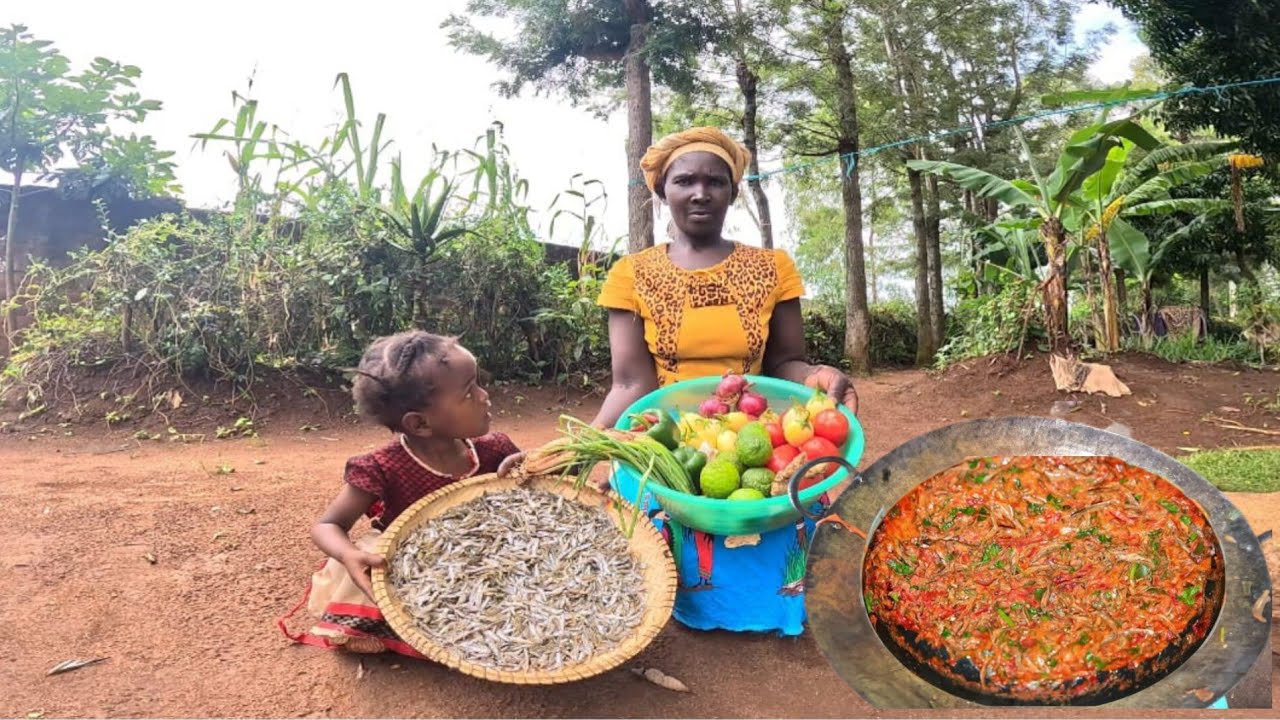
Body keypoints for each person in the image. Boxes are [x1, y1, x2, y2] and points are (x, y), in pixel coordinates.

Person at [592, 126, 859, 636]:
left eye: (715, 181)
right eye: (684, 181)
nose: (700, 192)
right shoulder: (633, 275)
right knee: (651, 532)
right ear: (662, 192)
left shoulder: (770, 268)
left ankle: (774, 607)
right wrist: (584, 449)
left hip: (754, 435)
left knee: (781, 515)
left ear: (733, 191)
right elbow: (630, 385)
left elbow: (787, 364)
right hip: (667, 442)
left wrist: (818, 374)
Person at [278, 330, 522, 656]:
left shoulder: (497, 449)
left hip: (481, 557)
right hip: (419, 566)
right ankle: (376, 627)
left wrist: (533, 467)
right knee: (374, 561)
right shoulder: (382, 466)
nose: (484, 396)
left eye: (479, 384)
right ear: (419, 424)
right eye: (468, 393)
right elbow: (327, 526)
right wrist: (349, 555)